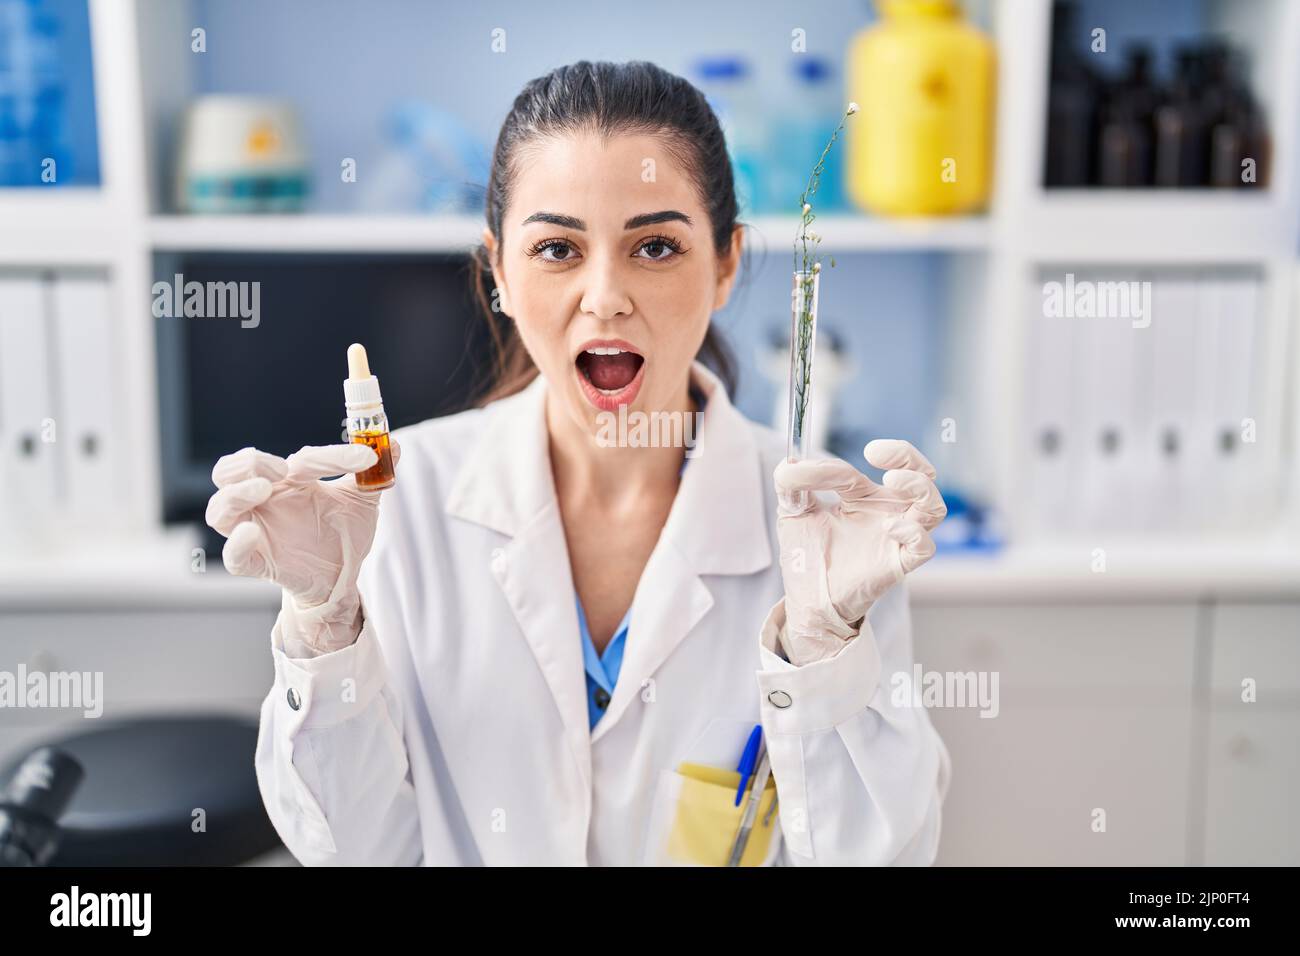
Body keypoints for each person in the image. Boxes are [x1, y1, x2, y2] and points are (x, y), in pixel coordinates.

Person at [205, 60, 950, 866]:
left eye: (655, 246)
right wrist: (323, 623)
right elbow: (356, 853)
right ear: (497, 271)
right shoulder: (397, 506)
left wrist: (823, 649)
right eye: (558, 248)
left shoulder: (822, 537)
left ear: (728, 263)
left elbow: (876, 858)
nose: (605, 295)